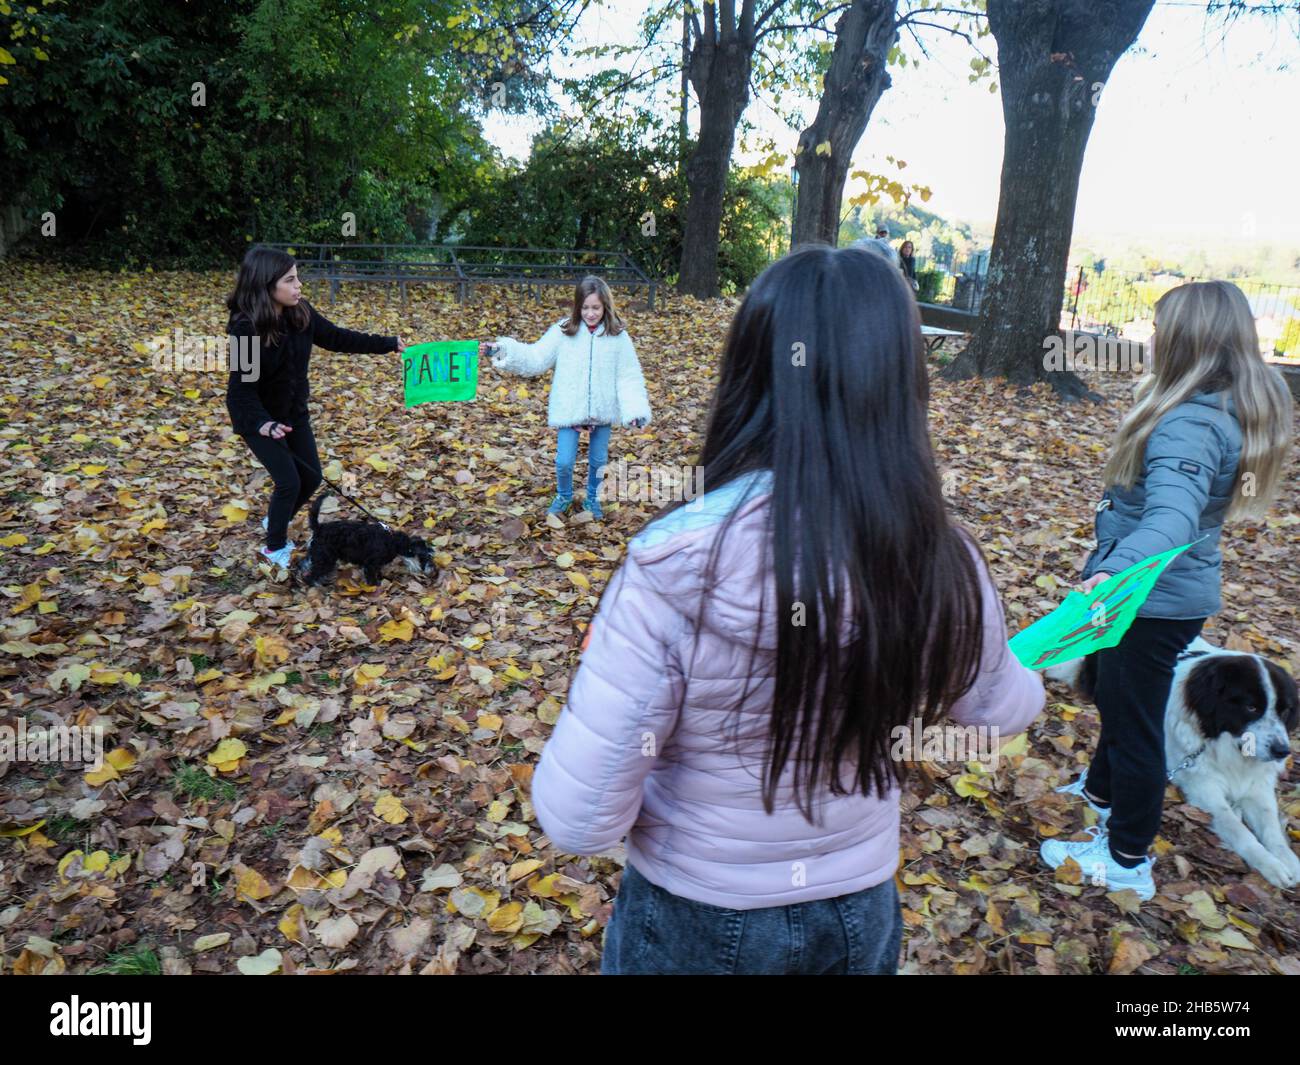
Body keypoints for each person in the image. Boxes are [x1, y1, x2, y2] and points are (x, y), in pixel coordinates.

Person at [529, 245, 1045, 974]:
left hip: (694, 918)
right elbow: (1001, 710)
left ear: (748, 370)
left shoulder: (676, 560)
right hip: (859, 912)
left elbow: (579, 816)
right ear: (901, 383)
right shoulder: (938, 555)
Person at [1041, 279, 1294, 900]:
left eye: (1160, 330)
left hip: (1146, 600)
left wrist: (1112, 569)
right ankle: (1099, 792)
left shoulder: (1192, 423)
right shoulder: (1222, 410)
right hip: (1167, 593)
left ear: (1187, 340)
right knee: (1119, 700)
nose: (1151, 340)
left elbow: (1172, 518)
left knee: (1137, 728)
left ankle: (1126, 856)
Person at [224, 247, 405, 568]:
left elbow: (337, 338)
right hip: (257, 420)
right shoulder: (246, 331)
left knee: (311, 477)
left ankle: (274, 521)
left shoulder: (300, 314)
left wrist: (387, 344)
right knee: (289, 482)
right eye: (290, 280)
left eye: (298, 279)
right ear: (267, 285)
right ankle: (274, 546)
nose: (299, 286)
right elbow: (240, 392)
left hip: (294, 416)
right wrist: (263, 424)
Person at [486, 276, 651, 520]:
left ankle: (593, 498)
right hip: (570, 407)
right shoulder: (564, 331)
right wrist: (503, 349)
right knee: (564, 460)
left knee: (598, 460)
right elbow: (535, 358)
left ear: (606, 305)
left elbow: (628, 376)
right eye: (585, 308)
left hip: (602, 408)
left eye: (596, 307)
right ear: (577, 307)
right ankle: (564, 494)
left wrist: (635, 410)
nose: (591, 313)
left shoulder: (617, 336)